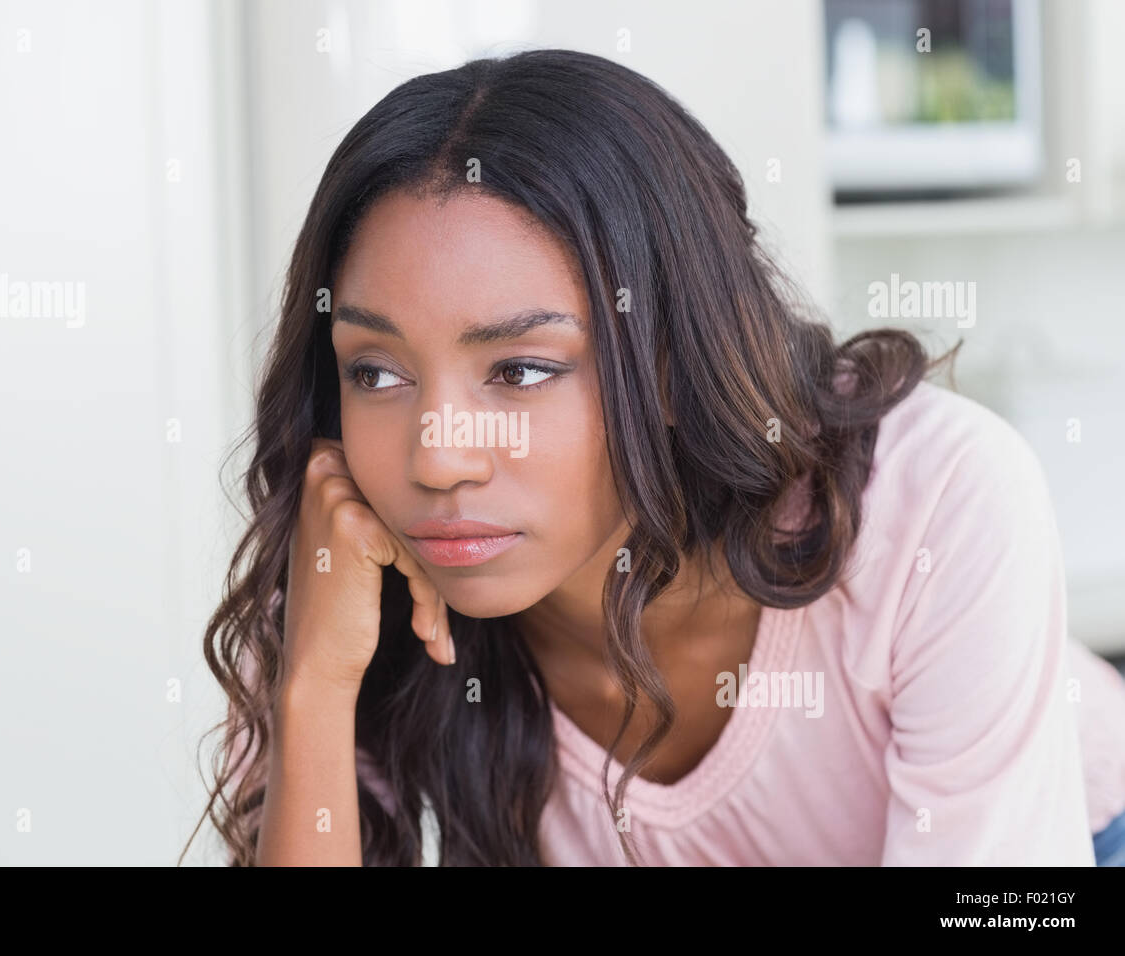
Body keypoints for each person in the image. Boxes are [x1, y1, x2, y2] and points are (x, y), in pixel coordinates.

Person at [181, 48, 1125, 866]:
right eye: (378, 372)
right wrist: (313, 683)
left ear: (676, 361)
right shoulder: (344, 568)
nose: (438, 460)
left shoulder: (937, 502)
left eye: (518, 367)